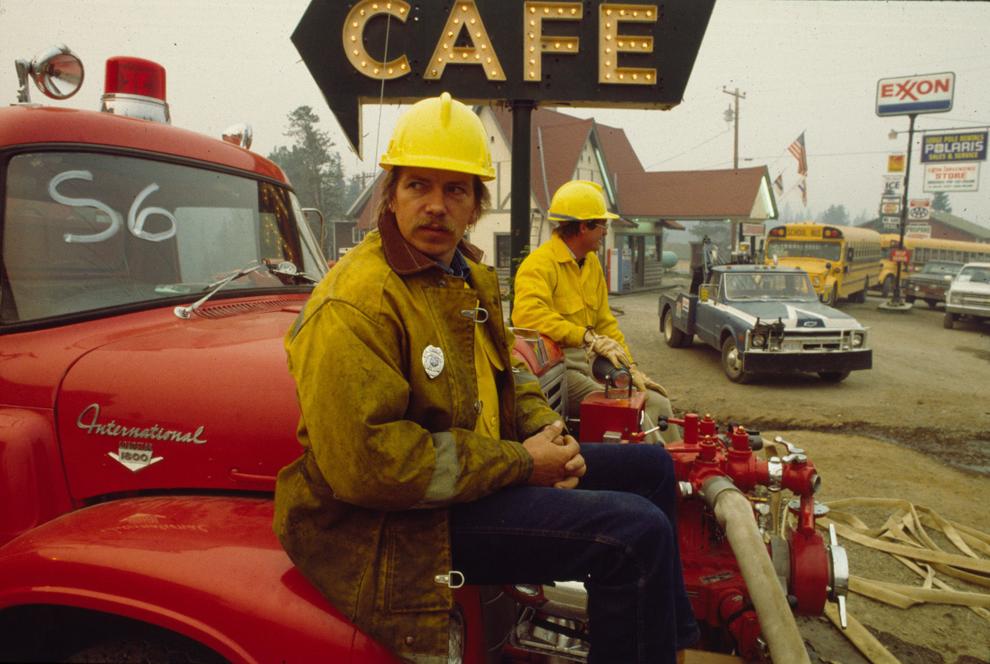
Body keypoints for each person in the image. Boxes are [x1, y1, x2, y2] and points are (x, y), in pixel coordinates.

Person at [273, 92, 697, 664]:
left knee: (651, 469)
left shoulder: (464, 273)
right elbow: (374, 468)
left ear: (475, 204)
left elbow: (509, 370)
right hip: (401, 521)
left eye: (456, 189)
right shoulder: (356, 303)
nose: (435, 206)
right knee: (632, 534)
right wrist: (524, 463)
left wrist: (552, 432)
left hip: (479, 474)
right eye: (418, 185)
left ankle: (662, 644)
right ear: (389, 195)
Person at [512, 179, 679, 444]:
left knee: (655, 399)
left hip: (591, 366)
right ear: (583, 226)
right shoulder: (539, 266)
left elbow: (606, 324)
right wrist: (586, 337)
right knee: (629, 410)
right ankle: (655, 471)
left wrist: (631, 368)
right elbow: (527, 315)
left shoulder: (590, 264)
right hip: (561, 370)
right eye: (603, 225)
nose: (604, 232)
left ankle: (676, 466)